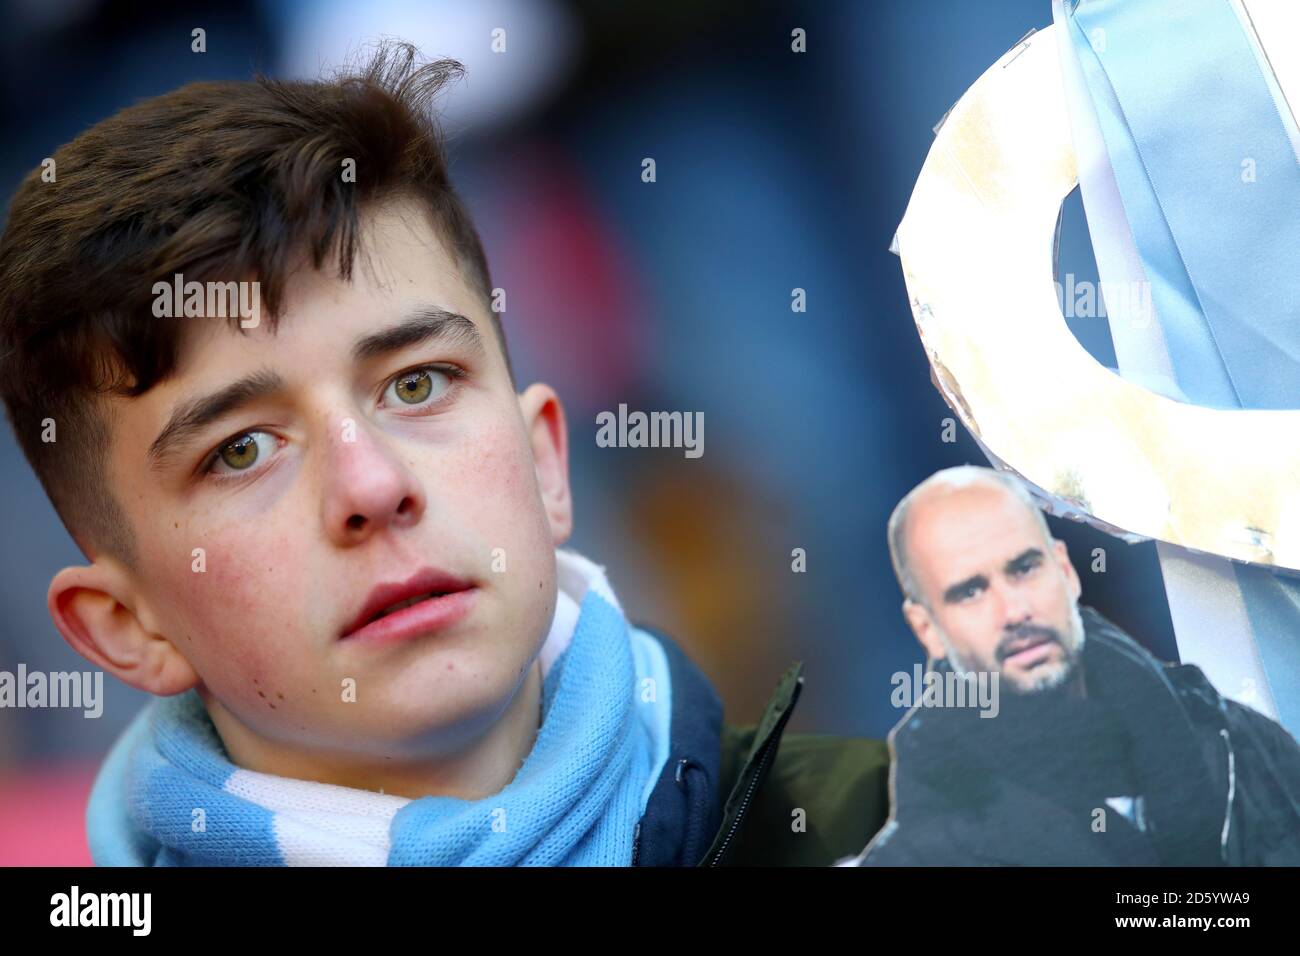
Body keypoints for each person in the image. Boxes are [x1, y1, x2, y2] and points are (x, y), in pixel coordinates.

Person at [0, 43, 888, 866]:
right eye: (242, 450)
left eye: (416, 385)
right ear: (127, 627)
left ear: (545, 463)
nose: (373, 485)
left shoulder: (904, 828)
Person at [856, 465, 1300, 866]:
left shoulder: (1240, 740)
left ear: (1065, 571)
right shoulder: (921, 854)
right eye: (970, 592)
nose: (1014, 610)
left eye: (1024, 568)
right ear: (927, 627)